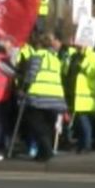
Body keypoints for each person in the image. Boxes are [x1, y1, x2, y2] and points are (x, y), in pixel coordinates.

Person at [21, 32, 68, 162]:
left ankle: (46, 150)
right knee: (47, 126)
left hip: (39, 96)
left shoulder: (37, 56)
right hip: (56, 97)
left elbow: (31, 75)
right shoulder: (55, 59)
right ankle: (42, 154)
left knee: (36, 124)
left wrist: (23, 89)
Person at [67, 43, 95, 154]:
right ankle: (82, 144)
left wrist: (82, 64)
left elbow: (93, 72)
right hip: (78, 94)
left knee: (84, 121)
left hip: (87, 94)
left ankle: (87, 145)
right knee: (80, 121)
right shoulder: (76, 55)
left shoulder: (92, 55)